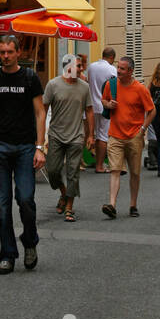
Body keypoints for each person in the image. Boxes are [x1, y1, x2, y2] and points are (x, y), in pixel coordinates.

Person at [0, 33, 46, 274]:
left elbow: (39, 113)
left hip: (25, 147)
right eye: (2, 52)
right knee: (2, 205)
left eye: (9, 52)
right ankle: (7, 254)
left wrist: (39, 147)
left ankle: (30, 240)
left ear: (18, 53)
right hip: (0, 147)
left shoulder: (29, 77)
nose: (5, 56)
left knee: (25, 199)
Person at [101, 55, 155, 219]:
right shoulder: (111, 84)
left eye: (122, 69)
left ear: (130, 71)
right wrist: (108, 104)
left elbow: (152, 110)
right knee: (115, 170)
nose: (118, 71)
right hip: (115, 135)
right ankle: (112, 204)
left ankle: (133, 205)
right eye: (118, 67)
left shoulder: (140, 89)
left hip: (134, 136)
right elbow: (103, 100)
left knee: (135, 173)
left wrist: (143, 128)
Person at [43, 55, 94, 221]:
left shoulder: (84, 87)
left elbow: (89, 111)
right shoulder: (53, 85)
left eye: (81, 66)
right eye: (78, 66)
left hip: (76, 136)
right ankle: (64, 193)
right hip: (56, 135)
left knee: (73, 173)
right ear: (68, 68)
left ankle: (69, 207)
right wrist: (40, 135)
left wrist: (90, 135)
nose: (81, 69)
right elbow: (42, 110)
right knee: (52, 171)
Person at [88, 46, 117, 173]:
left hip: (91, 105)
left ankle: (90, 160)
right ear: (111, 58)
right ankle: (99, 165)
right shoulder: (111, 69)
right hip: (104, 106)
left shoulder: (91, 67)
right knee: (103, 136)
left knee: (92, 134)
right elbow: (115, 87)